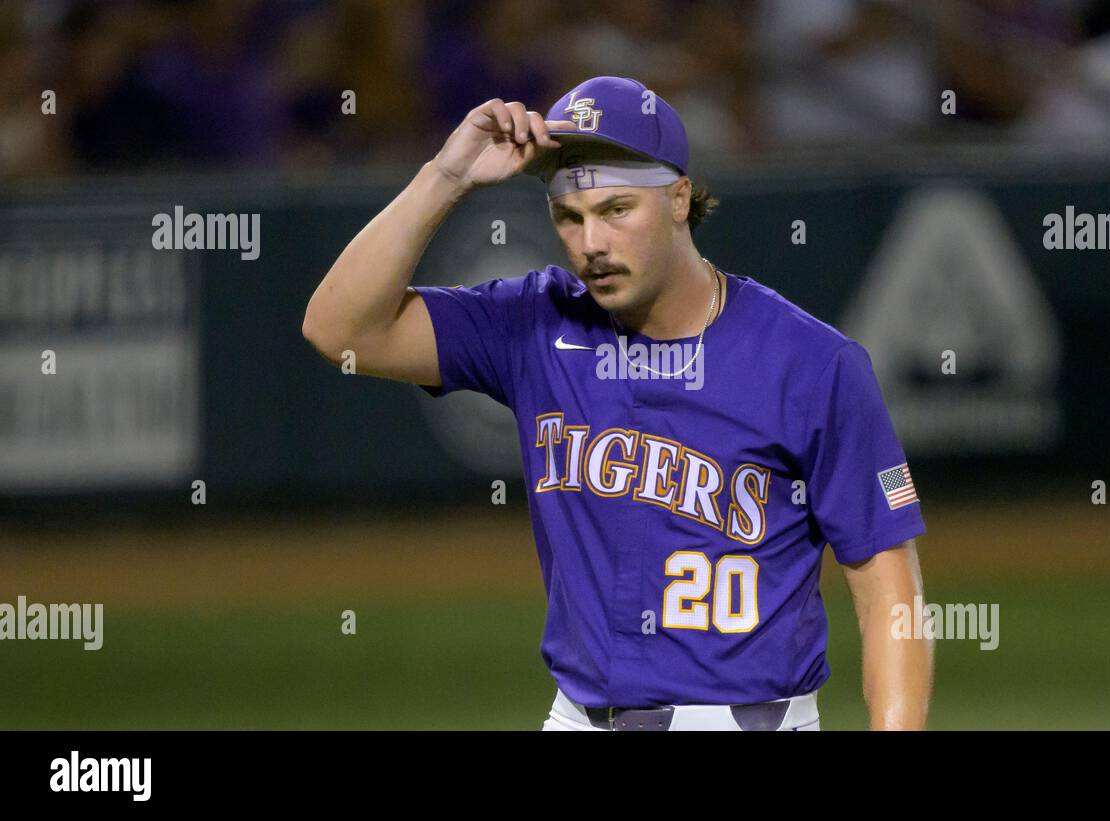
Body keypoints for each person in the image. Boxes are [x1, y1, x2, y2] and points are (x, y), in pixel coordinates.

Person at [302, 76, 933, 731]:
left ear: (680, 198)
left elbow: (889, 586)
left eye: (616, 210)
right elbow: (341, 329)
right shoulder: (533, 324)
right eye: (569, 217)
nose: (591, 243)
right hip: (579, 717)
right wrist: (446, 176)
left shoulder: (811, 362)